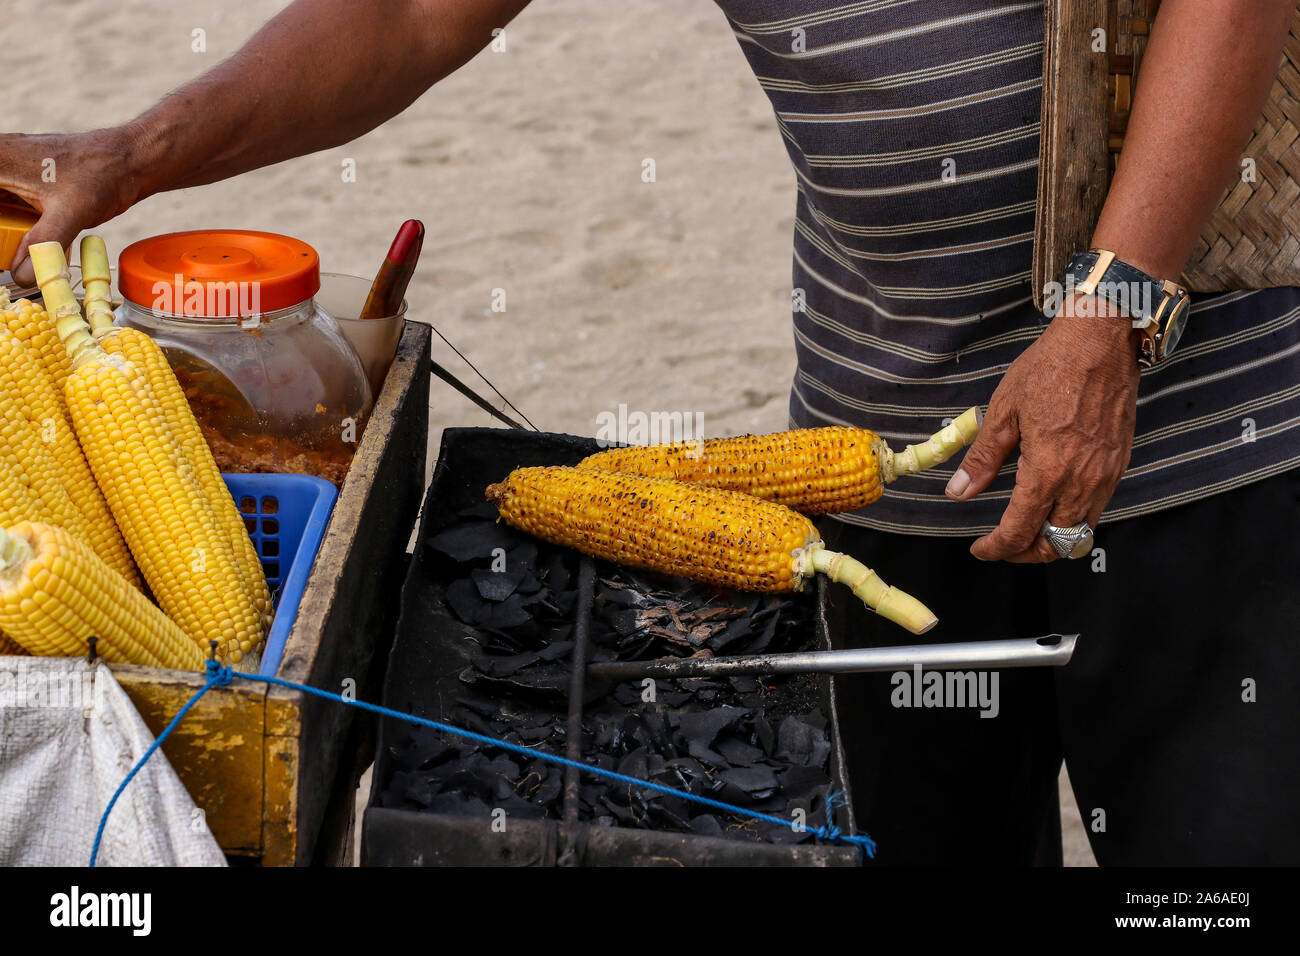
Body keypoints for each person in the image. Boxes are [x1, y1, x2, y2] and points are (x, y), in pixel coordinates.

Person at [3, 0, 1296, 865]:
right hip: (885, 430)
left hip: (1204, 422)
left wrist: (1116, 308)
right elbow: (407, 13)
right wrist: (138, 151)